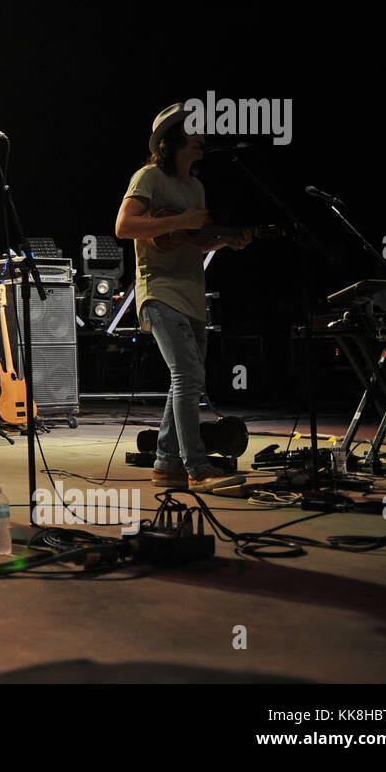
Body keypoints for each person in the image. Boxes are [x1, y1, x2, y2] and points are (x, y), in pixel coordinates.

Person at [114, 103, 251, 492]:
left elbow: (194, 240)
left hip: (192, 294)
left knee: (185, 381)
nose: (202, 137)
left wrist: (225, 241)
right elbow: (124, 226)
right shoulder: (149, 177)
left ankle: (166, 461)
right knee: (187, 377)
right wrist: (182, 220)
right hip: (159, 292)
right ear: (172, 140)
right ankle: (198, 466)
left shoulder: (196, 186)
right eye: (194, 130)